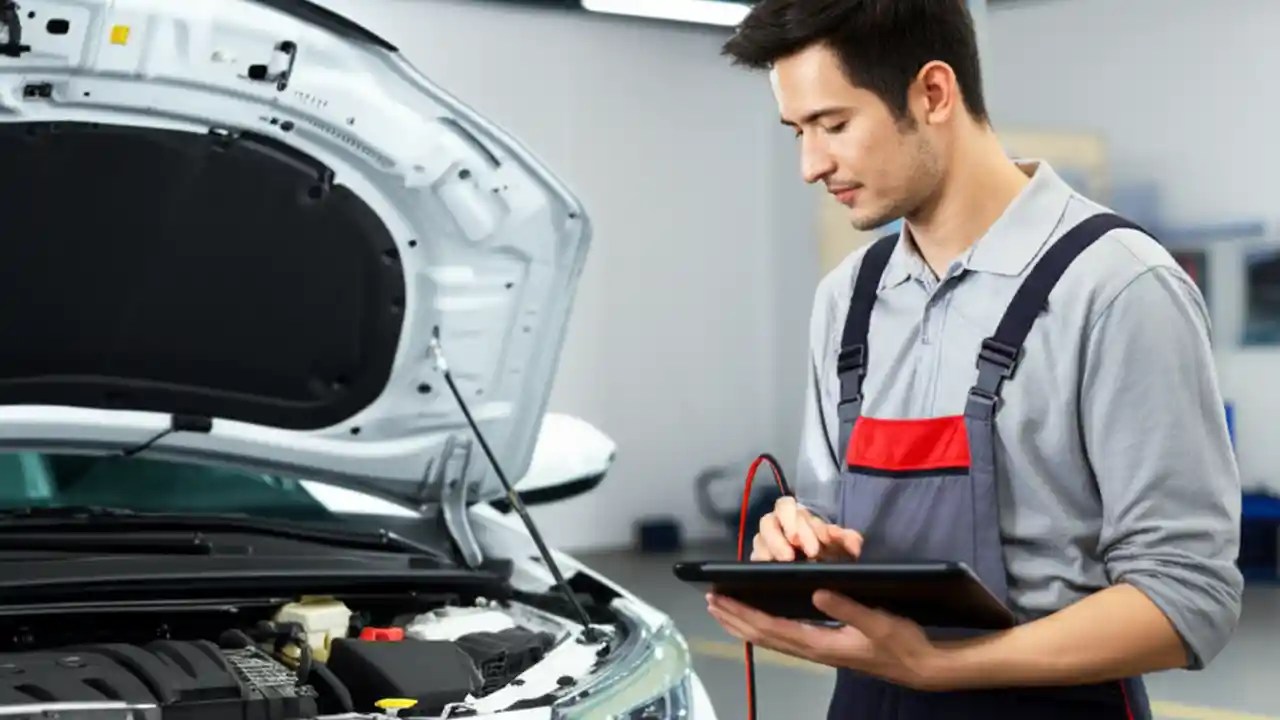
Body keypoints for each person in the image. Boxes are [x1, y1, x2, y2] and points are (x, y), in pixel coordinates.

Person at [706, 1, 1243, 718]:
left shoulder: (1118, 286)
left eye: (833, 125)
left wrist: (941, 667)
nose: (811, 165)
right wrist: (803, 539)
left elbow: (1189, 596)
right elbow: (836, 521)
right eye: (797, 131)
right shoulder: (846, 300)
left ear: (933, 93)